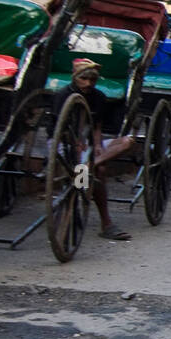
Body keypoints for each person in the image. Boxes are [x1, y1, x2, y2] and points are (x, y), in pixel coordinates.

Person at [54, 57, 135, 240]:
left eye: (92, 80)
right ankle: (105, 222)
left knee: (127, 142)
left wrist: (97, 145)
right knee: (98, 171)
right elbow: (58, 128)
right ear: (75, 77)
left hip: (88, 144)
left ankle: (90, 165)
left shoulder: (98, 97)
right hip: (64, 142)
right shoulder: (62, 95)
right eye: (84, 79)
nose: (88, 83)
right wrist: (76, 144)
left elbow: (97, 126)